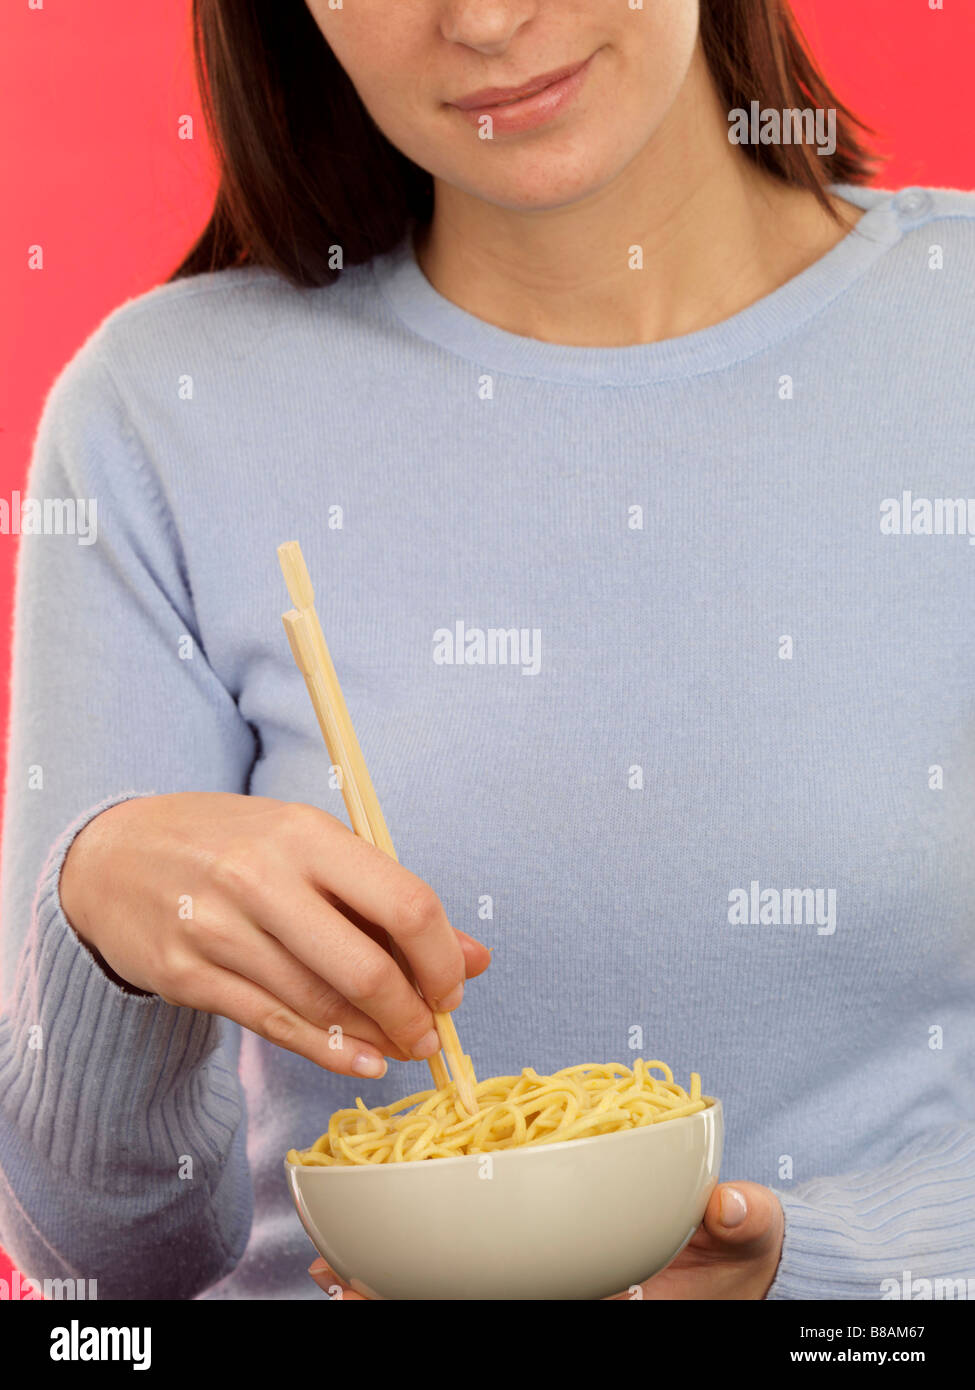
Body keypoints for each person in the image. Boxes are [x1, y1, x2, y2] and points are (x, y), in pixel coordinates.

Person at [1, 0, 973, 1302]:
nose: (488, 18)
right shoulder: (157, 410)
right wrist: (100, 918)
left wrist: (820, 1267)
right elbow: (107, 1267)